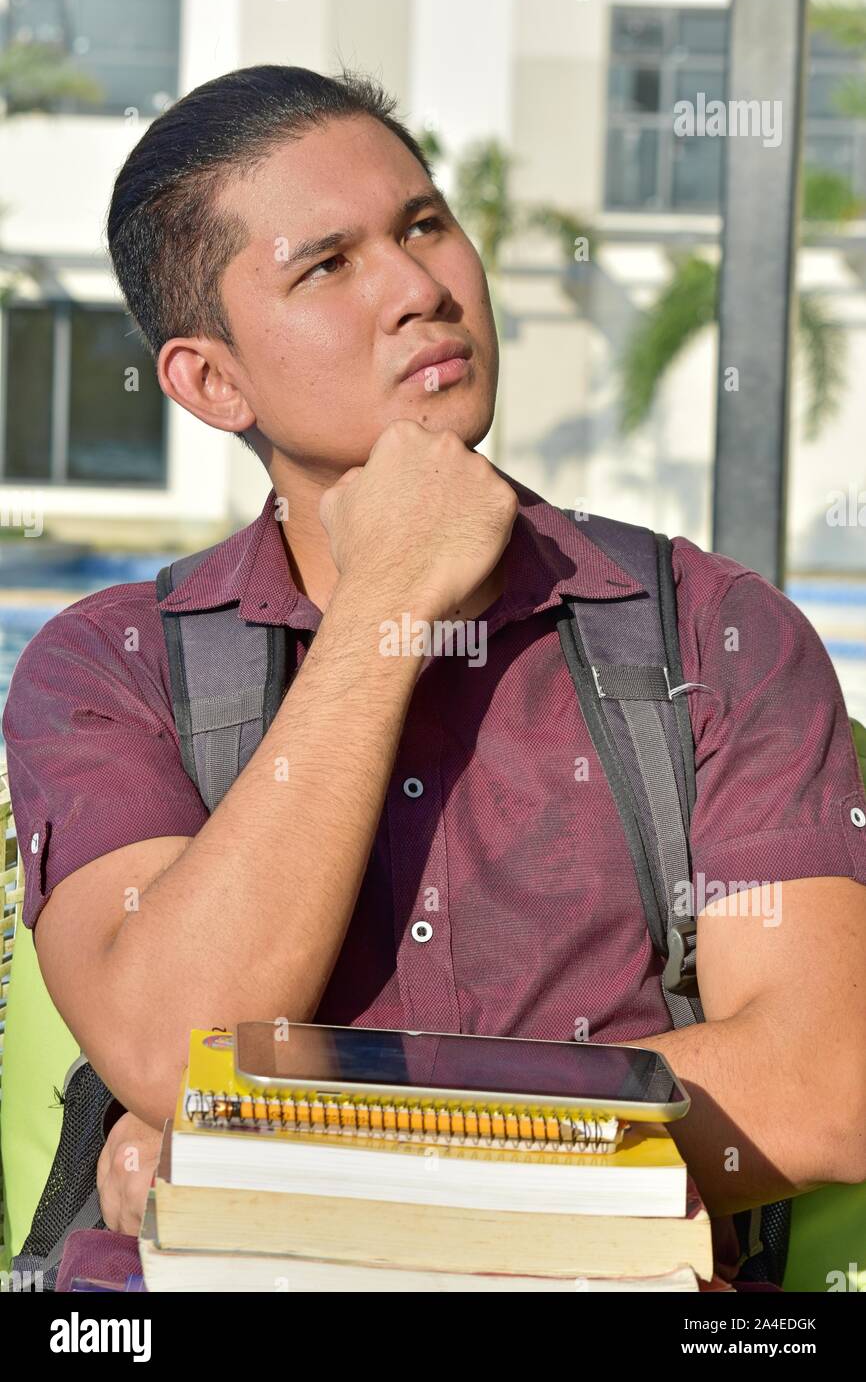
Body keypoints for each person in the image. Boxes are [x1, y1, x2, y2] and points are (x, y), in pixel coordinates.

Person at [4, 65, 866, 1286]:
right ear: (211, 380)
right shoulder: (109, 665)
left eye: (423, 225)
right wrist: (385, 612)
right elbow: (165, 1038)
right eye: (327, 265)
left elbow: (820, 1086)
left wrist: (262, 1145)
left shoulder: (712, 639)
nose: (420, 289)